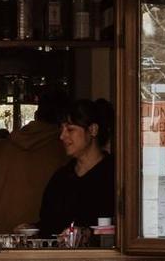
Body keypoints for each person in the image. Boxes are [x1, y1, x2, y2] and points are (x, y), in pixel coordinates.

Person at [0, 86, 68, 232]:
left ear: (36, 114)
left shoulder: (1, 148)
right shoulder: (66, 151)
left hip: (0, 242)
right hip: (49, 245)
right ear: (63, 119)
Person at [38, 98, 115, 240]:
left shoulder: (115, 175)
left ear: (92, 130)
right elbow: (48, 226)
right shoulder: (60, 179)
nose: (62, 136)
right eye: (61, 129)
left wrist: (88, 234)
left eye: (70, 129)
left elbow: (125, 228)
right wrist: (32, 229)